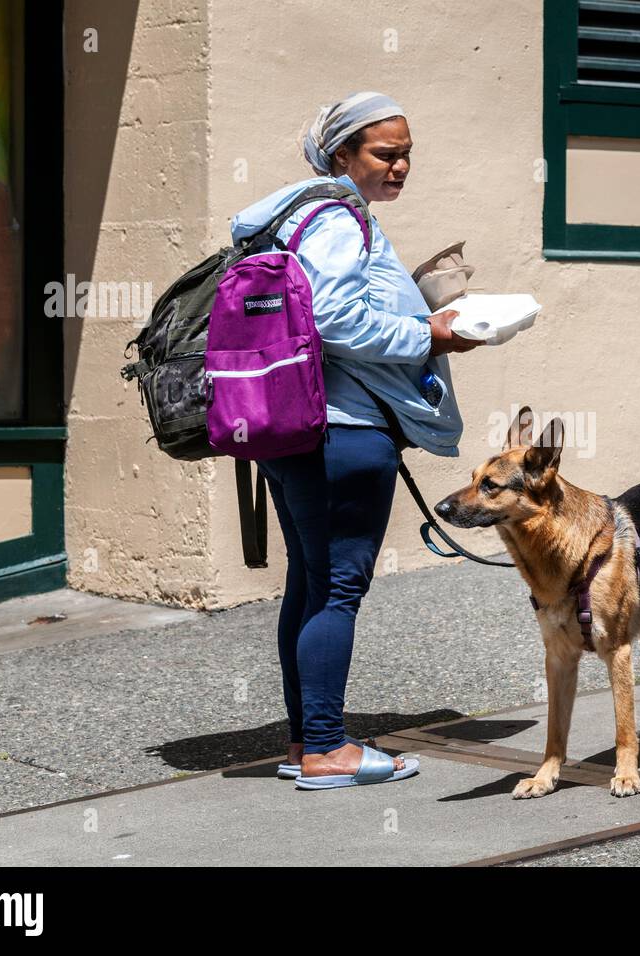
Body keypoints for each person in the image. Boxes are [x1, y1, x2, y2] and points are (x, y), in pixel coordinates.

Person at [229, 91, 482, 790]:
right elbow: (336, 320)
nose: (400, 166)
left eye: (407, 154)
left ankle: (307, 738)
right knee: (337, 589)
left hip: (291, 432)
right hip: (340, 433)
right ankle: (327, 750)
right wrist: (429, 332)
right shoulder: (337, 218)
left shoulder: (289, 218)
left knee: (309, 586)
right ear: (341, 155)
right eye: (384, 153)